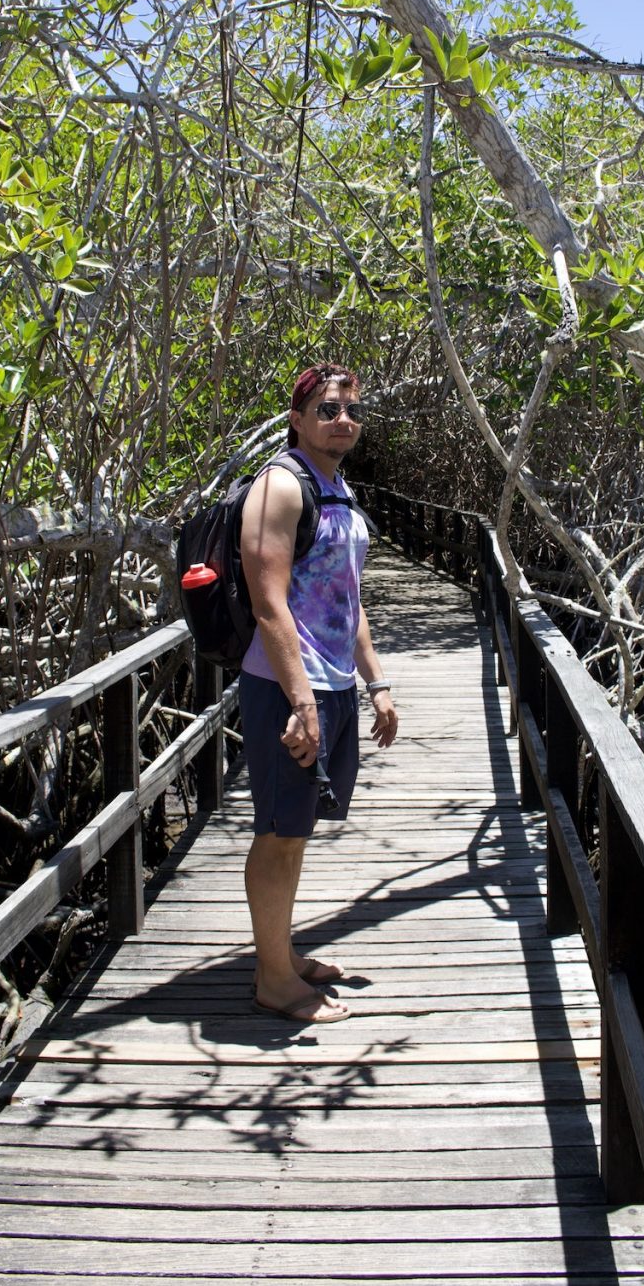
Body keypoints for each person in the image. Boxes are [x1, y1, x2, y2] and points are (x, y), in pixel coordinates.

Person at [238, 363, 398, 1023]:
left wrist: (376, 681)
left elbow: (347, 598)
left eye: (353, 411)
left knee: (297, 828)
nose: (344, 421)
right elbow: (269, 603)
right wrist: (300, 699)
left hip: (330, 685)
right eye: (329, 410)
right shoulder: (281, 484)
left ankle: (282, 951)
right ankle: (274, 979)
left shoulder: (338, 489)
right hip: (286, 686)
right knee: (279, 831)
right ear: (298, 419)